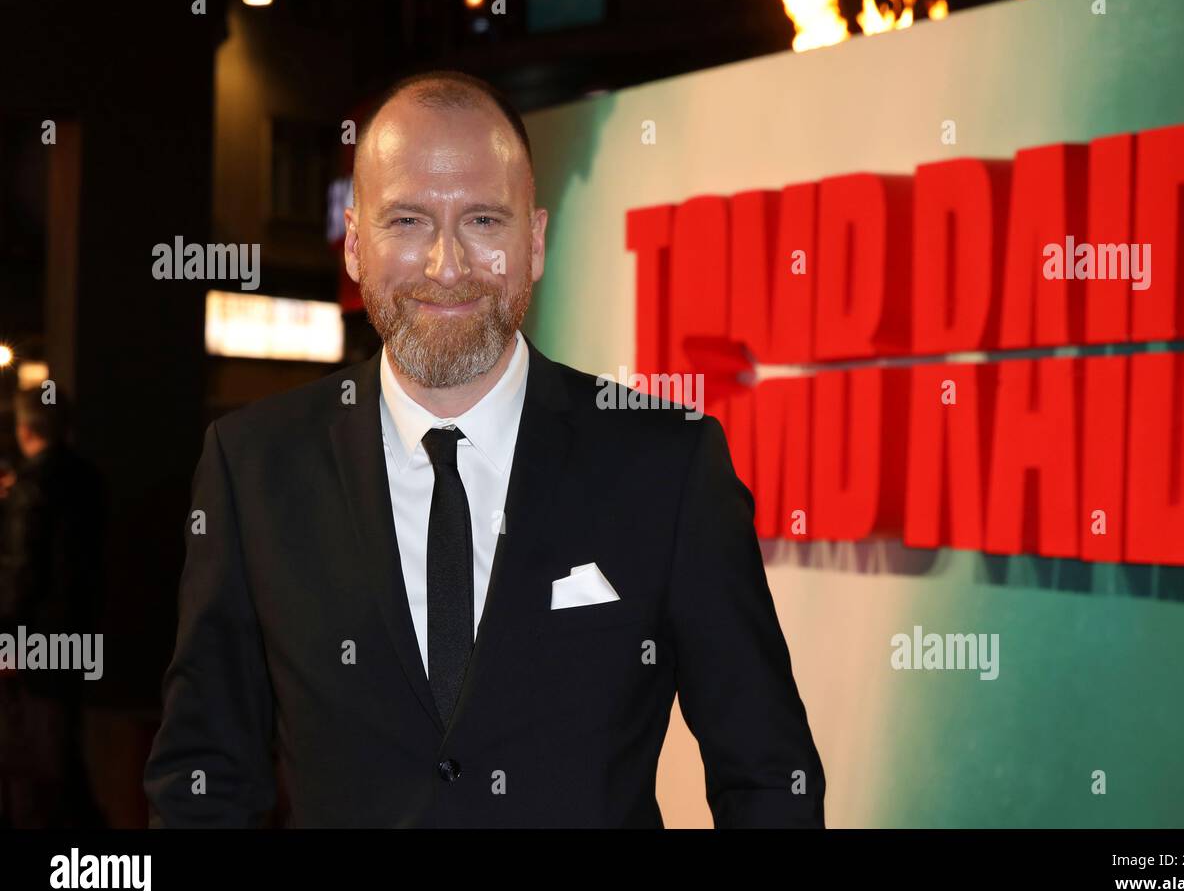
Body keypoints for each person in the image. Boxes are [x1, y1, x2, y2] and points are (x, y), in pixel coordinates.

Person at [143, 70, 825, 827]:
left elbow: (768, 773)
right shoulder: (253, 468)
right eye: (406, 221)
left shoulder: (668, 464)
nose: (447, 265)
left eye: (482, 221)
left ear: (533, 243)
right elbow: (205, 774)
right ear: (355, 246)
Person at [0, 388, 104, 827]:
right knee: (61, 744)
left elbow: (21, 571)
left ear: (24, 429)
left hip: (32, 641)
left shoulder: (30, 488)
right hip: (77, 634)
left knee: (31, 756)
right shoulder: (88, 479)